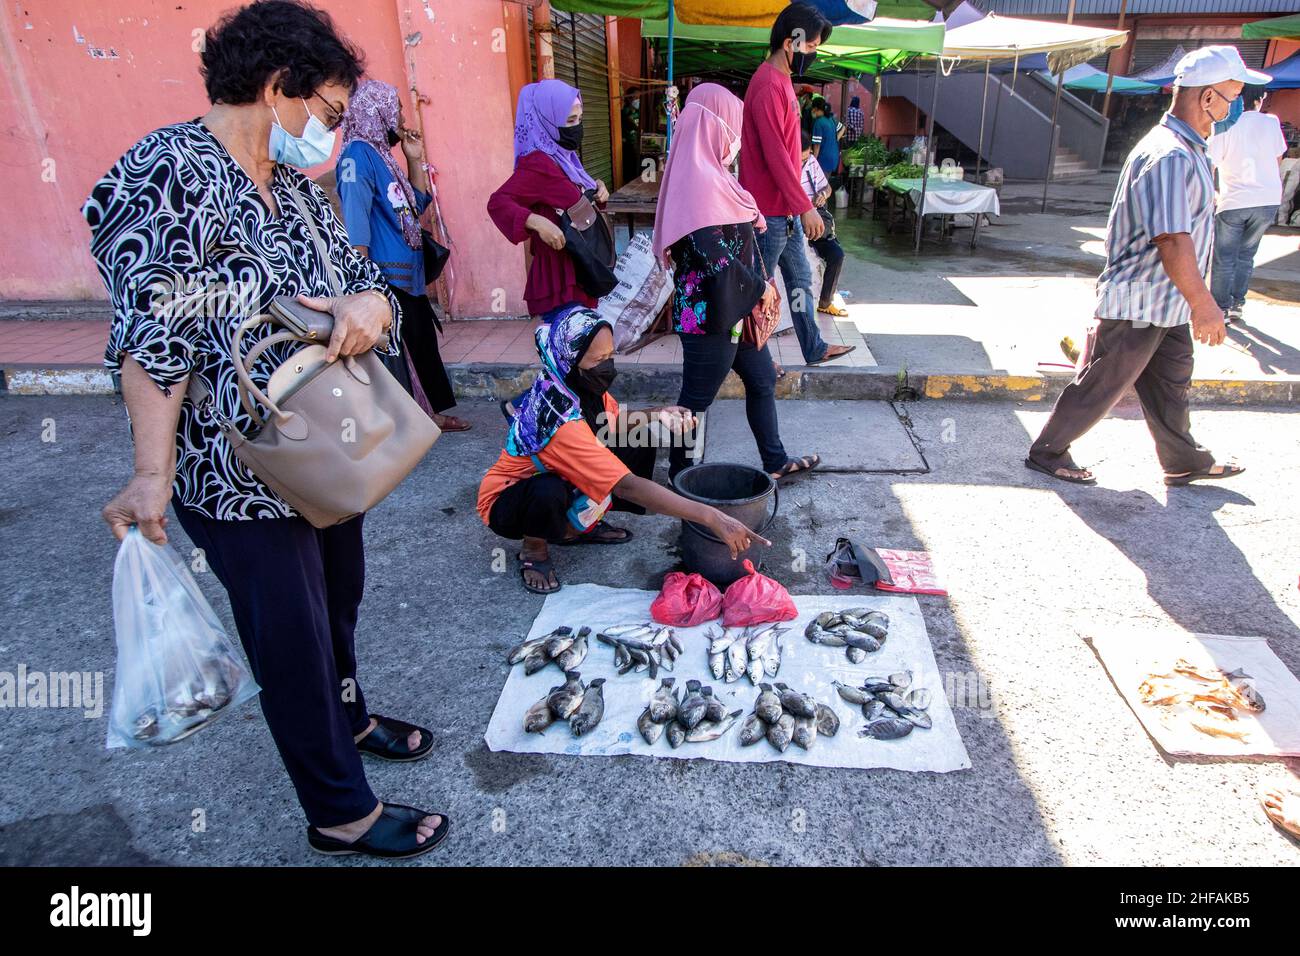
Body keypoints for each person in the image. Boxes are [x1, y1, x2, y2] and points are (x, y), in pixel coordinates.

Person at [85, 1, 448, 860]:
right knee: (290, 638)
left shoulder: (291, 187)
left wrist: (365, 305)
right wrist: (150, 472)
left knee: (339, 606)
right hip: (238, 469)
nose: (327, 132)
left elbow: (367, 286)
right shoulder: (166, 173)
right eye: (324, 111)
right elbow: (152, 339)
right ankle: (339, 812)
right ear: (277, 85)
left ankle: (348, 717)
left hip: (328, 452)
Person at [1025, 46, 1267, 487]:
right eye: (1233, 97)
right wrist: (1205, 304)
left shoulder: (1189, 149)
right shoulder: (1170, 155)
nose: (1236, 107)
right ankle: (1047, 452)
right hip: (1141, 298)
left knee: (1171, 385)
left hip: (1167, 300)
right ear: (1207, 97)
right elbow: (1172, 239)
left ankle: (1183, 459)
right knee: (1103, 382)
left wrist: (1192, 301)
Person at [477, 309, 765, 594]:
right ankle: (534, 550)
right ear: (570, 361)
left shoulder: (578, 384)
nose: (608, 366)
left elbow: (611, 423)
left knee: (636, 440)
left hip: (563, 471)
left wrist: (658, 413)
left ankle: (581, 527)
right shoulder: (559, 417)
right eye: (599, 360)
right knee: (548, 492)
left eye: (610, 356)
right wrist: (712, 517)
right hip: (508, 501)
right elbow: (627, 486)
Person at [653, 84, 822, 484]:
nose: (737, 139)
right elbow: (715, 258)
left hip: (738, 310)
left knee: (762, 380)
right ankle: (681, 477)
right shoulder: (693, 182)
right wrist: (761, 287)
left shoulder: (719, 178)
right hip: (709, 316)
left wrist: (758, 287)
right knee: (694, 403)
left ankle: (775, 461)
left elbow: (738, 246)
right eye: (732, 128)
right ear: (713, 127)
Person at [336, 78, 470, 432]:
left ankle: (430, 414)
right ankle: (410, 423)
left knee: (421, 344)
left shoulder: (383, 156)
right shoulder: (357, 155)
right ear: (375, 110)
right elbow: (355, 218)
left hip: (408, 273)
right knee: (399, 351)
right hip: (384, 275)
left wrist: (414, 160)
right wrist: (362, 278)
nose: (399, 116)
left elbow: (416, 205)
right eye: (394, 108)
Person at [740, 2, 854, 367]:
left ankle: (814, 347)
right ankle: (747, 359)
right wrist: (805, 206)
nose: (815, 54)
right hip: (770, 213)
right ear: (792, 42)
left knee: (801, 283)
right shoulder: (769, 85)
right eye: (813, 46)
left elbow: (789, 154)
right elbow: (776, 158)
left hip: (784, 211)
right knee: (758, 290)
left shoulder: (781, 82)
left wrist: (799, 206)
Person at [488, 79, 610, 418]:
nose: (578, 128)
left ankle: (550, 413)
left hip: (579, 269)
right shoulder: (538, 162)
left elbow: (569, 197)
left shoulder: (564, 156)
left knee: (574, 354)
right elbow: (498, 202)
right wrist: (535, 223)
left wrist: (597, 188)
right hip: (559, 277)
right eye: (569, 121)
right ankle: (529, 411)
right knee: (571, 354)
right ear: (546, 121)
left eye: (579, 118)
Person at [1207, 84, 1286, 324]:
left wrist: (1212, 191)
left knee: (1224, 257)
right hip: (1267, 199)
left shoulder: (1225, 125)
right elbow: (1278, 157)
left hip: (1233, 199)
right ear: (1260, 98)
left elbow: (1211, 162)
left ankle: (1220, 307)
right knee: (1246, 255)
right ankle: (1237, 305)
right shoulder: (1271, 122)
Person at [800, 128, 848, 319]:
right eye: (801, 159)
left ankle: (825, 302)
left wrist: (822, 195)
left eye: (807, 157)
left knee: (837, 254)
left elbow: (826, 187)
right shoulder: (783, 167)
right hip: (793, 223)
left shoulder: (811, 162)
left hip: (815, 221)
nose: (804, 162)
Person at [810, 95, 840, 187]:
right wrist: (835, 138)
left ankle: (823, 201)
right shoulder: (830, 119)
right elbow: (843, 128)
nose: (812, 111)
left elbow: (817, 146)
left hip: (824, 159)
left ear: (815, 109)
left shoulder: (819, 123)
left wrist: (812, 162)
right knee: (824, 184)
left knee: (820, 188)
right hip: (834, 158)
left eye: (812, 109)